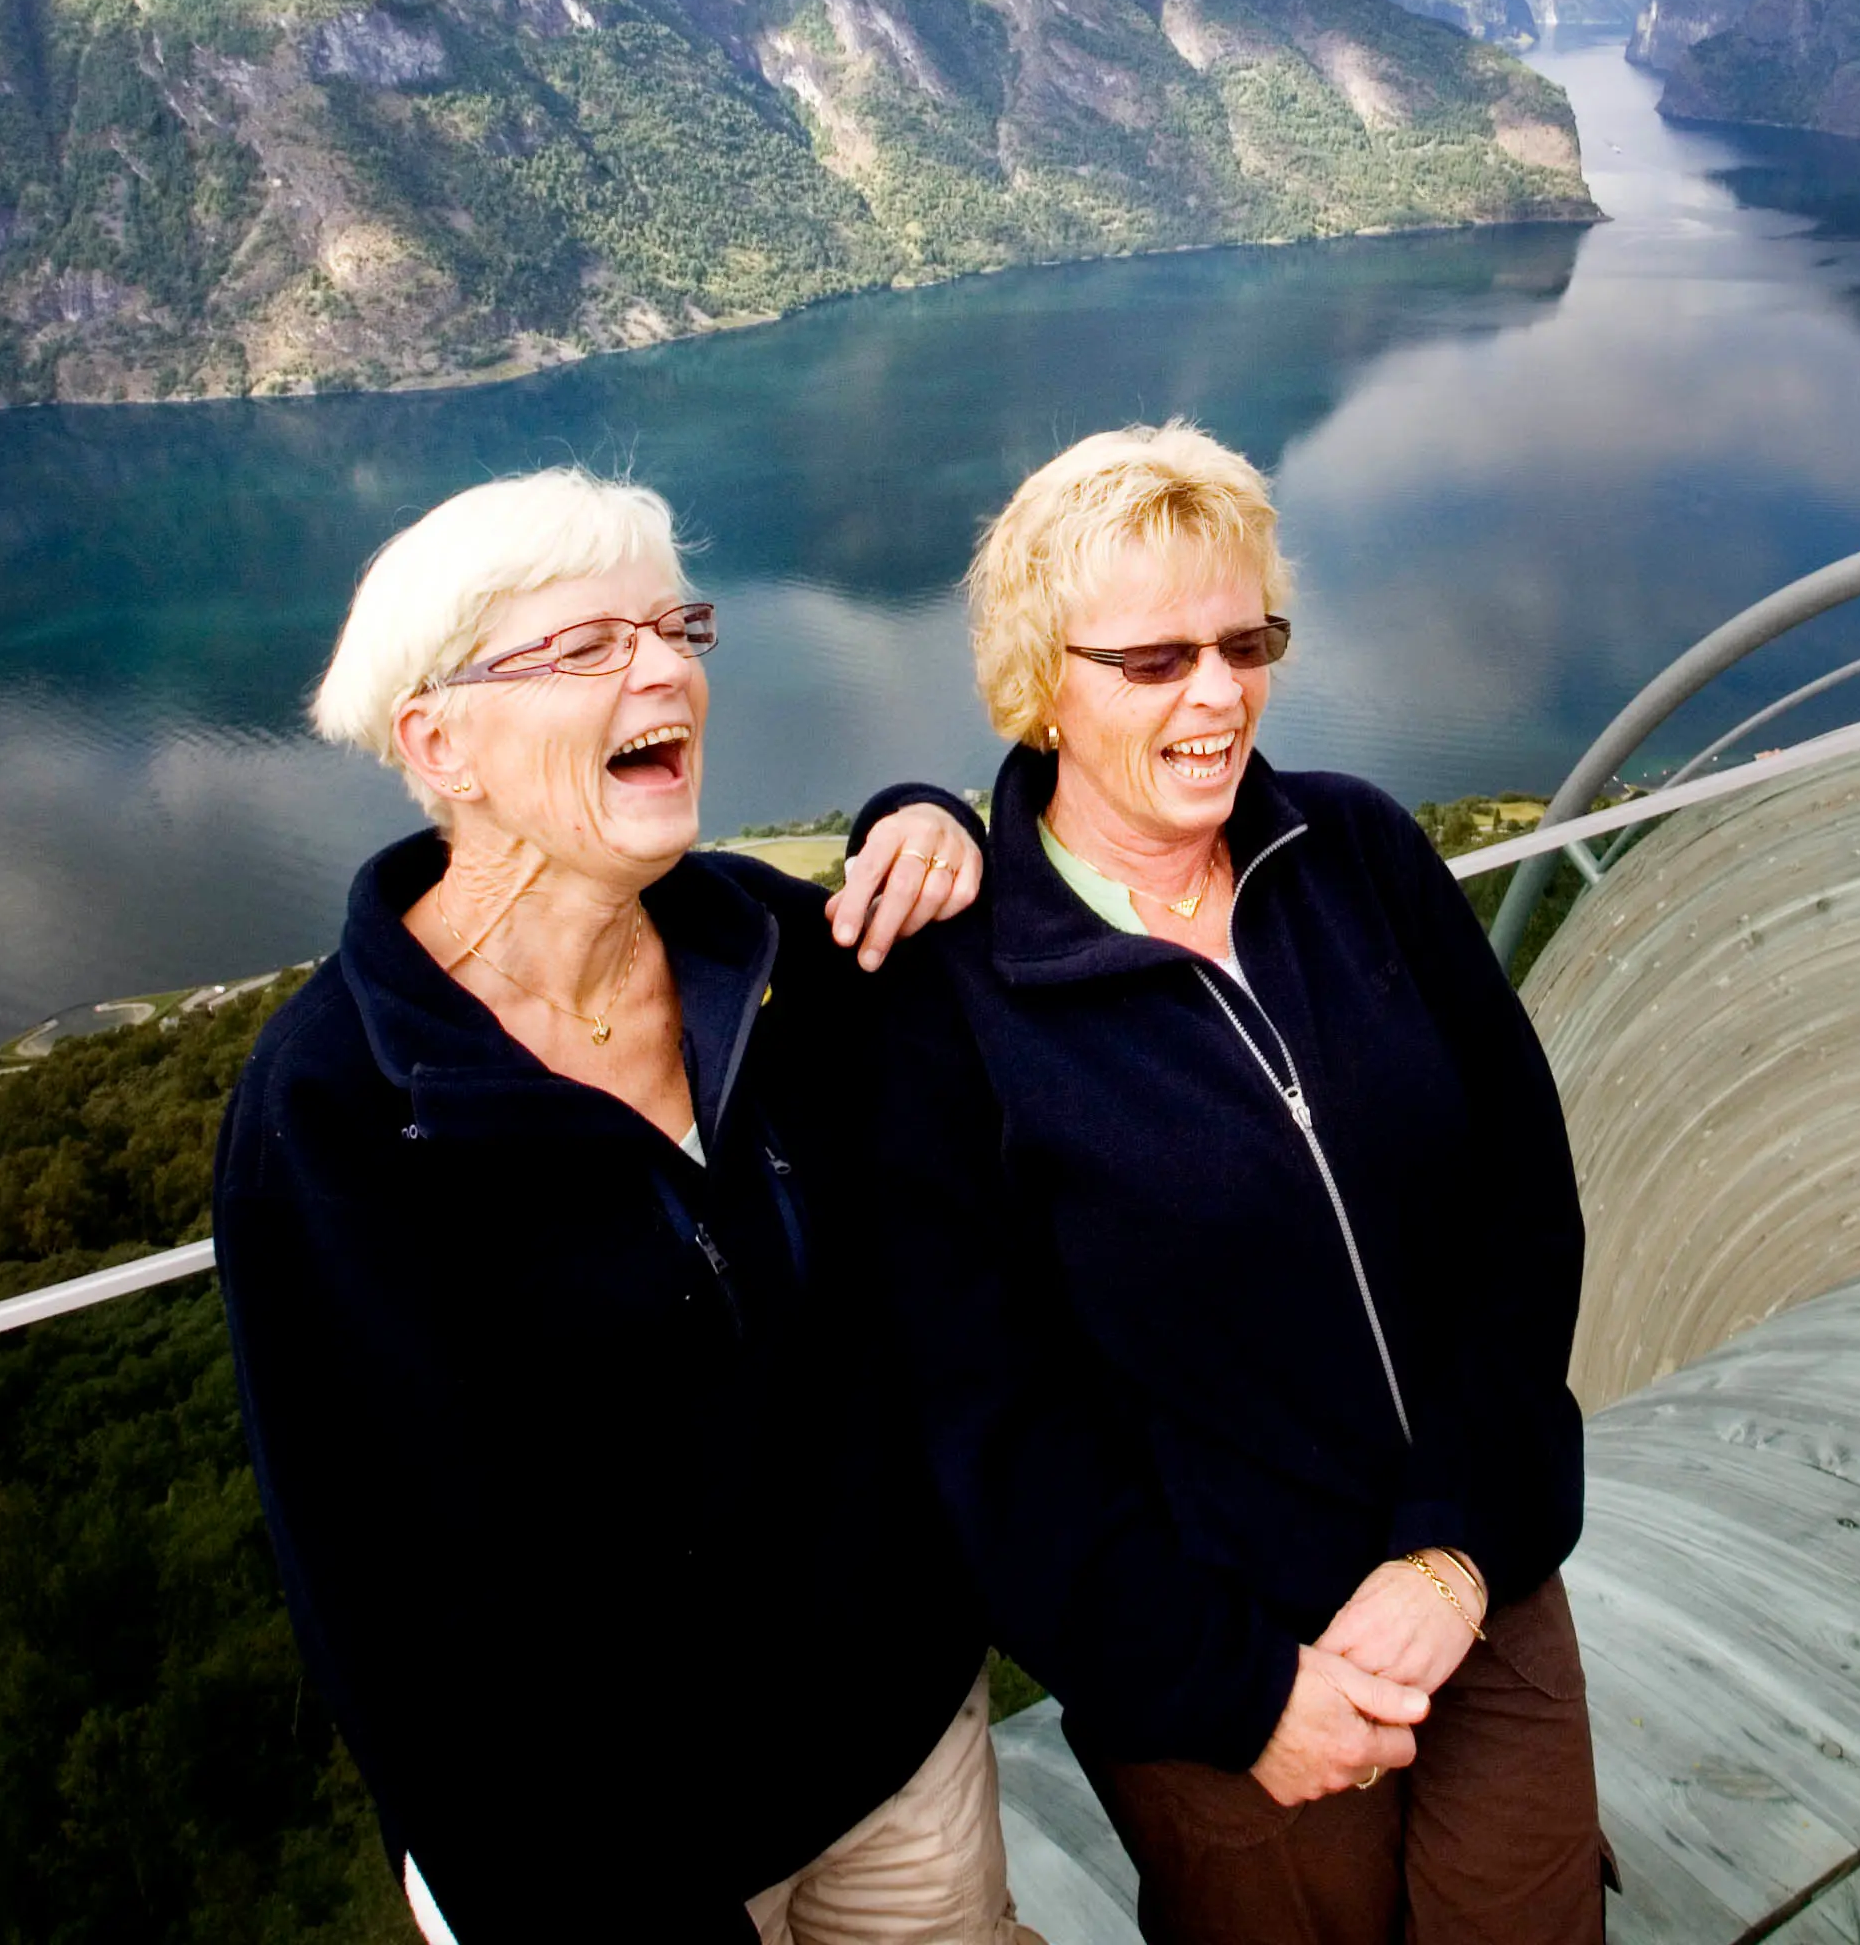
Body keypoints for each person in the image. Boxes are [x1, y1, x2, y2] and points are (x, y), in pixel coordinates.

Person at [214, 468, 1039, 1945]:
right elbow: (392, 1601)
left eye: (675, 629)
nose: (665, 671)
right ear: (439, 742)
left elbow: (984, 1095)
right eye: (588, 646)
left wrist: (928, 821)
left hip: (900, 1744)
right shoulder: (336, 1108)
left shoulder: (764, 942)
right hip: (620, 1853)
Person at [872, 422, 1606, 1945]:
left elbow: (1520, 1215)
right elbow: (991, 1425)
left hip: (1476, 1581)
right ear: (1040, 683)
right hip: (1223, 1671)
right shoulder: (960, 993)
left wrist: (1457, 1551)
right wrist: (1234, 1687)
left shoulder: (1361, 854)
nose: (1217, 695)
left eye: (1246, 642)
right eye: (1154, 661)